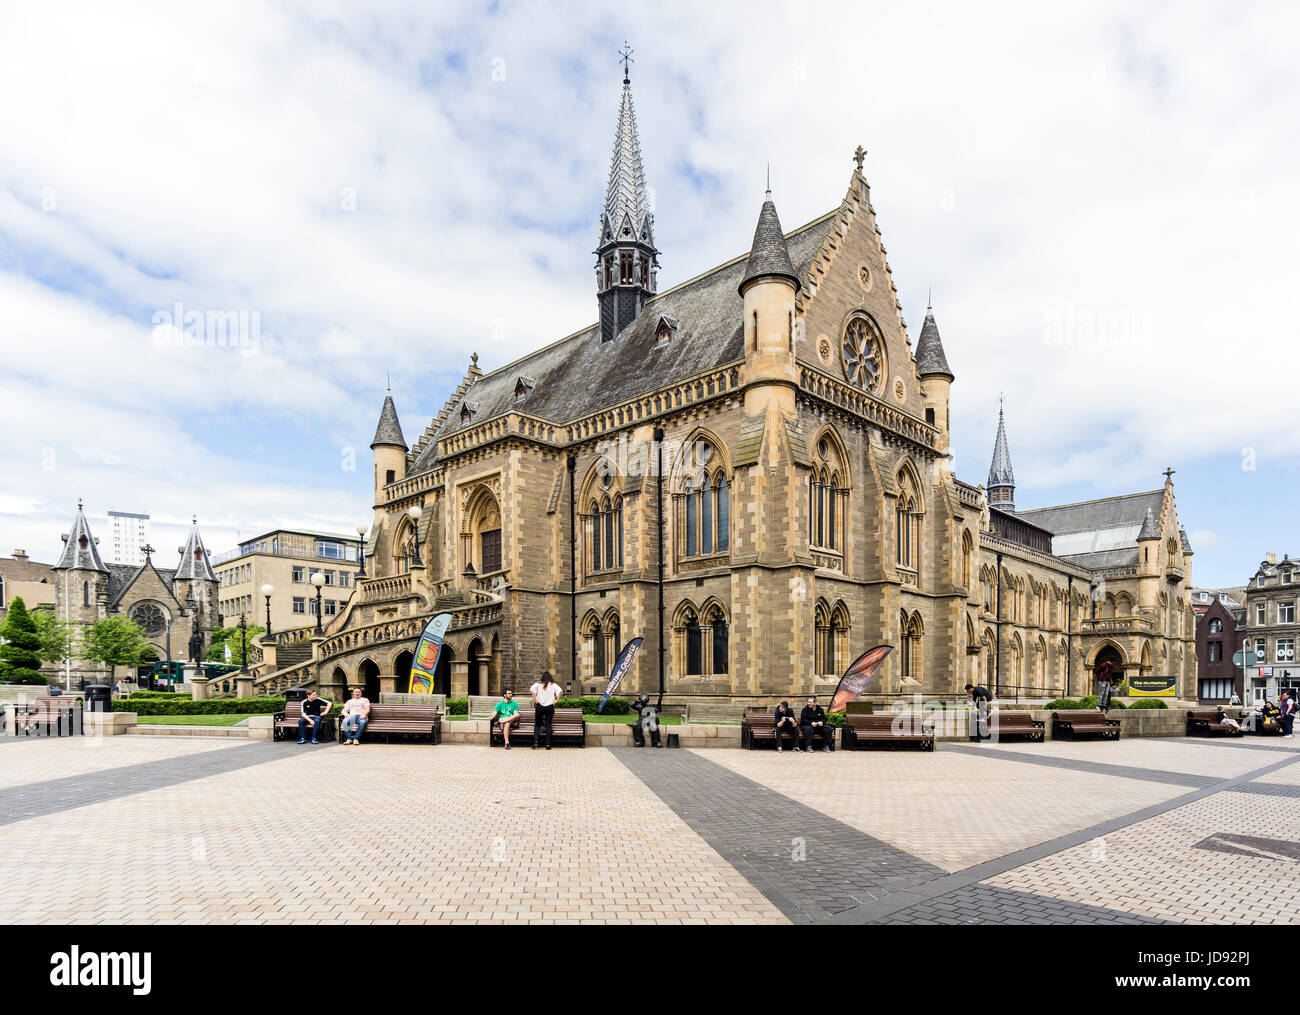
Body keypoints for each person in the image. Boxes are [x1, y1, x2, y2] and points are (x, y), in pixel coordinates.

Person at [529, 672, 562, 749]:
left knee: (537, 725)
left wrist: (535, 699)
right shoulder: (553, 685)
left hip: (540, 706)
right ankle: (548, 745)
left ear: (542, 677)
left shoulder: (538, 684)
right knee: (548, 725)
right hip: (550, 707)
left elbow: (531, 690)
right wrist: (557, 699)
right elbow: (560, 691)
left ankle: (536, 743)